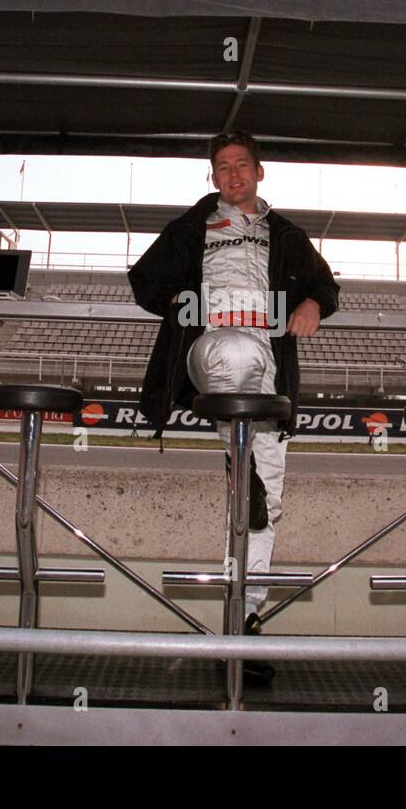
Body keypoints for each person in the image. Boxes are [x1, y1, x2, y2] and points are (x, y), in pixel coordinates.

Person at [128, 131, 340, 671]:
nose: (232, 174)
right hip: (210, 349)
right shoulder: (191, 225)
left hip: (271, 370)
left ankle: (242, 621)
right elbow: (143, 279)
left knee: (268, 501)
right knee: (235, 350)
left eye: (241, 164)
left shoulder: (286, 233)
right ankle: (239, 455)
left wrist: (314, 302)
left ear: (259, 172)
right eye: (222, 167)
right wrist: (176, 298)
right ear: (214, 177)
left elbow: (327, 286)